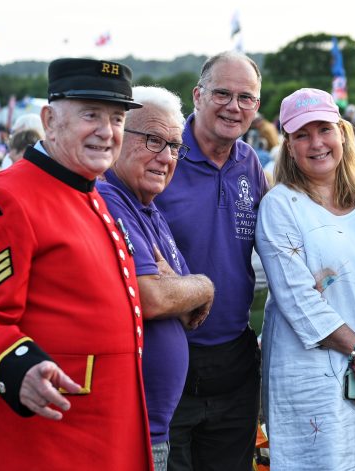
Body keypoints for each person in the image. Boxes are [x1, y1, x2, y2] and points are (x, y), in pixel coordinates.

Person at [0, 58, 152, 469]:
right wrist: (19, 367)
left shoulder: (90, 192)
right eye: (90, 115)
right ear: (49, 119)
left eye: (117, 119)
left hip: (103, 435)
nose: (106, 131)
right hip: (44, 443)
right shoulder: (5, 199)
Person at [255, 87, 355, 470]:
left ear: (342, 133)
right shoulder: (279, 206)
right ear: (289, 145)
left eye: (324, 130)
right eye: (301, 135)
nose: (316, 143)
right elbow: (296, 296)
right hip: (315, 372)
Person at [153, 51, 268, 471]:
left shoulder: (249, 162)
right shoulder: (161, 157)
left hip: (234, 361)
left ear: (257, 106)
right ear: (197, 96)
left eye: (246, 97)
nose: (233, 106)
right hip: (169, 358)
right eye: (222, 93)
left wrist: (354, 182)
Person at [96, 86, 216, 471]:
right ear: (118, 137)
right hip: (125, 433)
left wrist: (181, 290)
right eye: (152, 140)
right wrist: (204, 286)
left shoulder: (148, 207)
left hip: (150, 430)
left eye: (174, 146)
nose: (165, 157)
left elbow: (184, 309)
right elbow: (154, 299)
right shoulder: (110, 197)